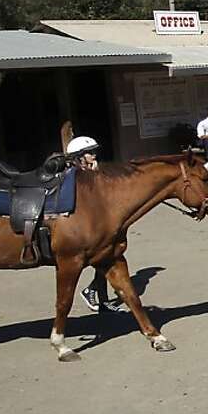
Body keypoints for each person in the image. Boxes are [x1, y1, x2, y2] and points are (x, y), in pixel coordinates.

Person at [66, 135, 129, 314]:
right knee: (106, 257)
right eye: (89, 153)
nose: (94, 156)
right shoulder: (73, 176)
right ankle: (91, 291)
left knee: (108, 257)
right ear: (78, 156)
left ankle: (102, 299)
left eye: (94, 152)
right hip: (85, 229)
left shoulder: (93, 170)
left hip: (102, 222)